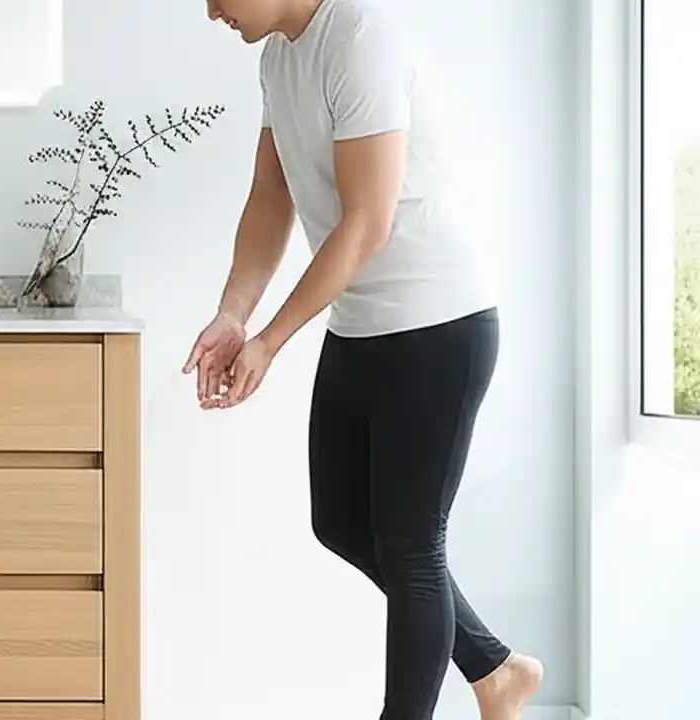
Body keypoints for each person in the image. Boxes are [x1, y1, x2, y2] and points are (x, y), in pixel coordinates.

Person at [183, 1, 545, 718]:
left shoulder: (360, 36)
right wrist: (234, 314)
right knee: (342, 522)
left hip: (438, 323)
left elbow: (368, 220)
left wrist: (271, 341)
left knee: (413, 548)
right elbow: (271, 192)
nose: (211, 10)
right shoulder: (278, 59)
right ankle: (498, 672)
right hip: (363, 325)